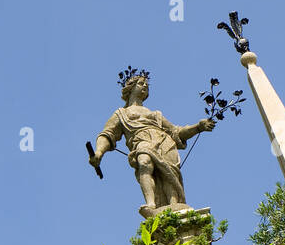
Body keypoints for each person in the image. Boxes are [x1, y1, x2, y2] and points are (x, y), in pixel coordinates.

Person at [89, 70, 213, 216]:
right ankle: (151, 204)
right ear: (130, 88)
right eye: (141, 83)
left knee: (168, 173)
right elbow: (107, 134)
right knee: (144, 161)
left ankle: (174, 205)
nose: (145, 86)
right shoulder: (121, 114)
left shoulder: (156, 114)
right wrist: (98, 152)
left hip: (165, 143)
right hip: (141, 141)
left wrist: (198, 127)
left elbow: (176, 132)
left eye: (147, 85)